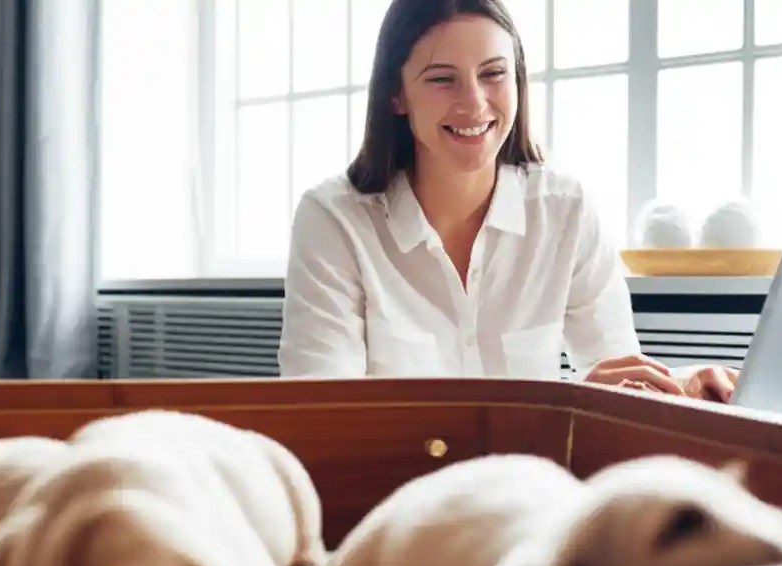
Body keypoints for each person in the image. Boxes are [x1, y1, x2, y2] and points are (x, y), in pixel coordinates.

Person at [277, 0, 740, 403]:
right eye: (442, 79)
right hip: (396, 494)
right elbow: (325, 415)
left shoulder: (566, 210)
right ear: (396, 94)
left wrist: (687, 384)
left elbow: (618, 377)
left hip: (538, 490)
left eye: (493, 74)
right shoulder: (333, 220)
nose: (474, 103)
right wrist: (564, 406)